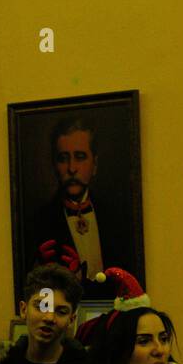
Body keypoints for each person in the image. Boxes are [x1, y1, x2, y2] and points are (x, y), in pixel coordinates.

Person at [30, 117, 124, 298]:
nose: (72, 168)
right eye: (63, 158)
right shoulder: (40, 221)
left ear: (94, 164)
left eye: (80, 157)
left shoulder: (116, 217)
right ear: (54, 165)